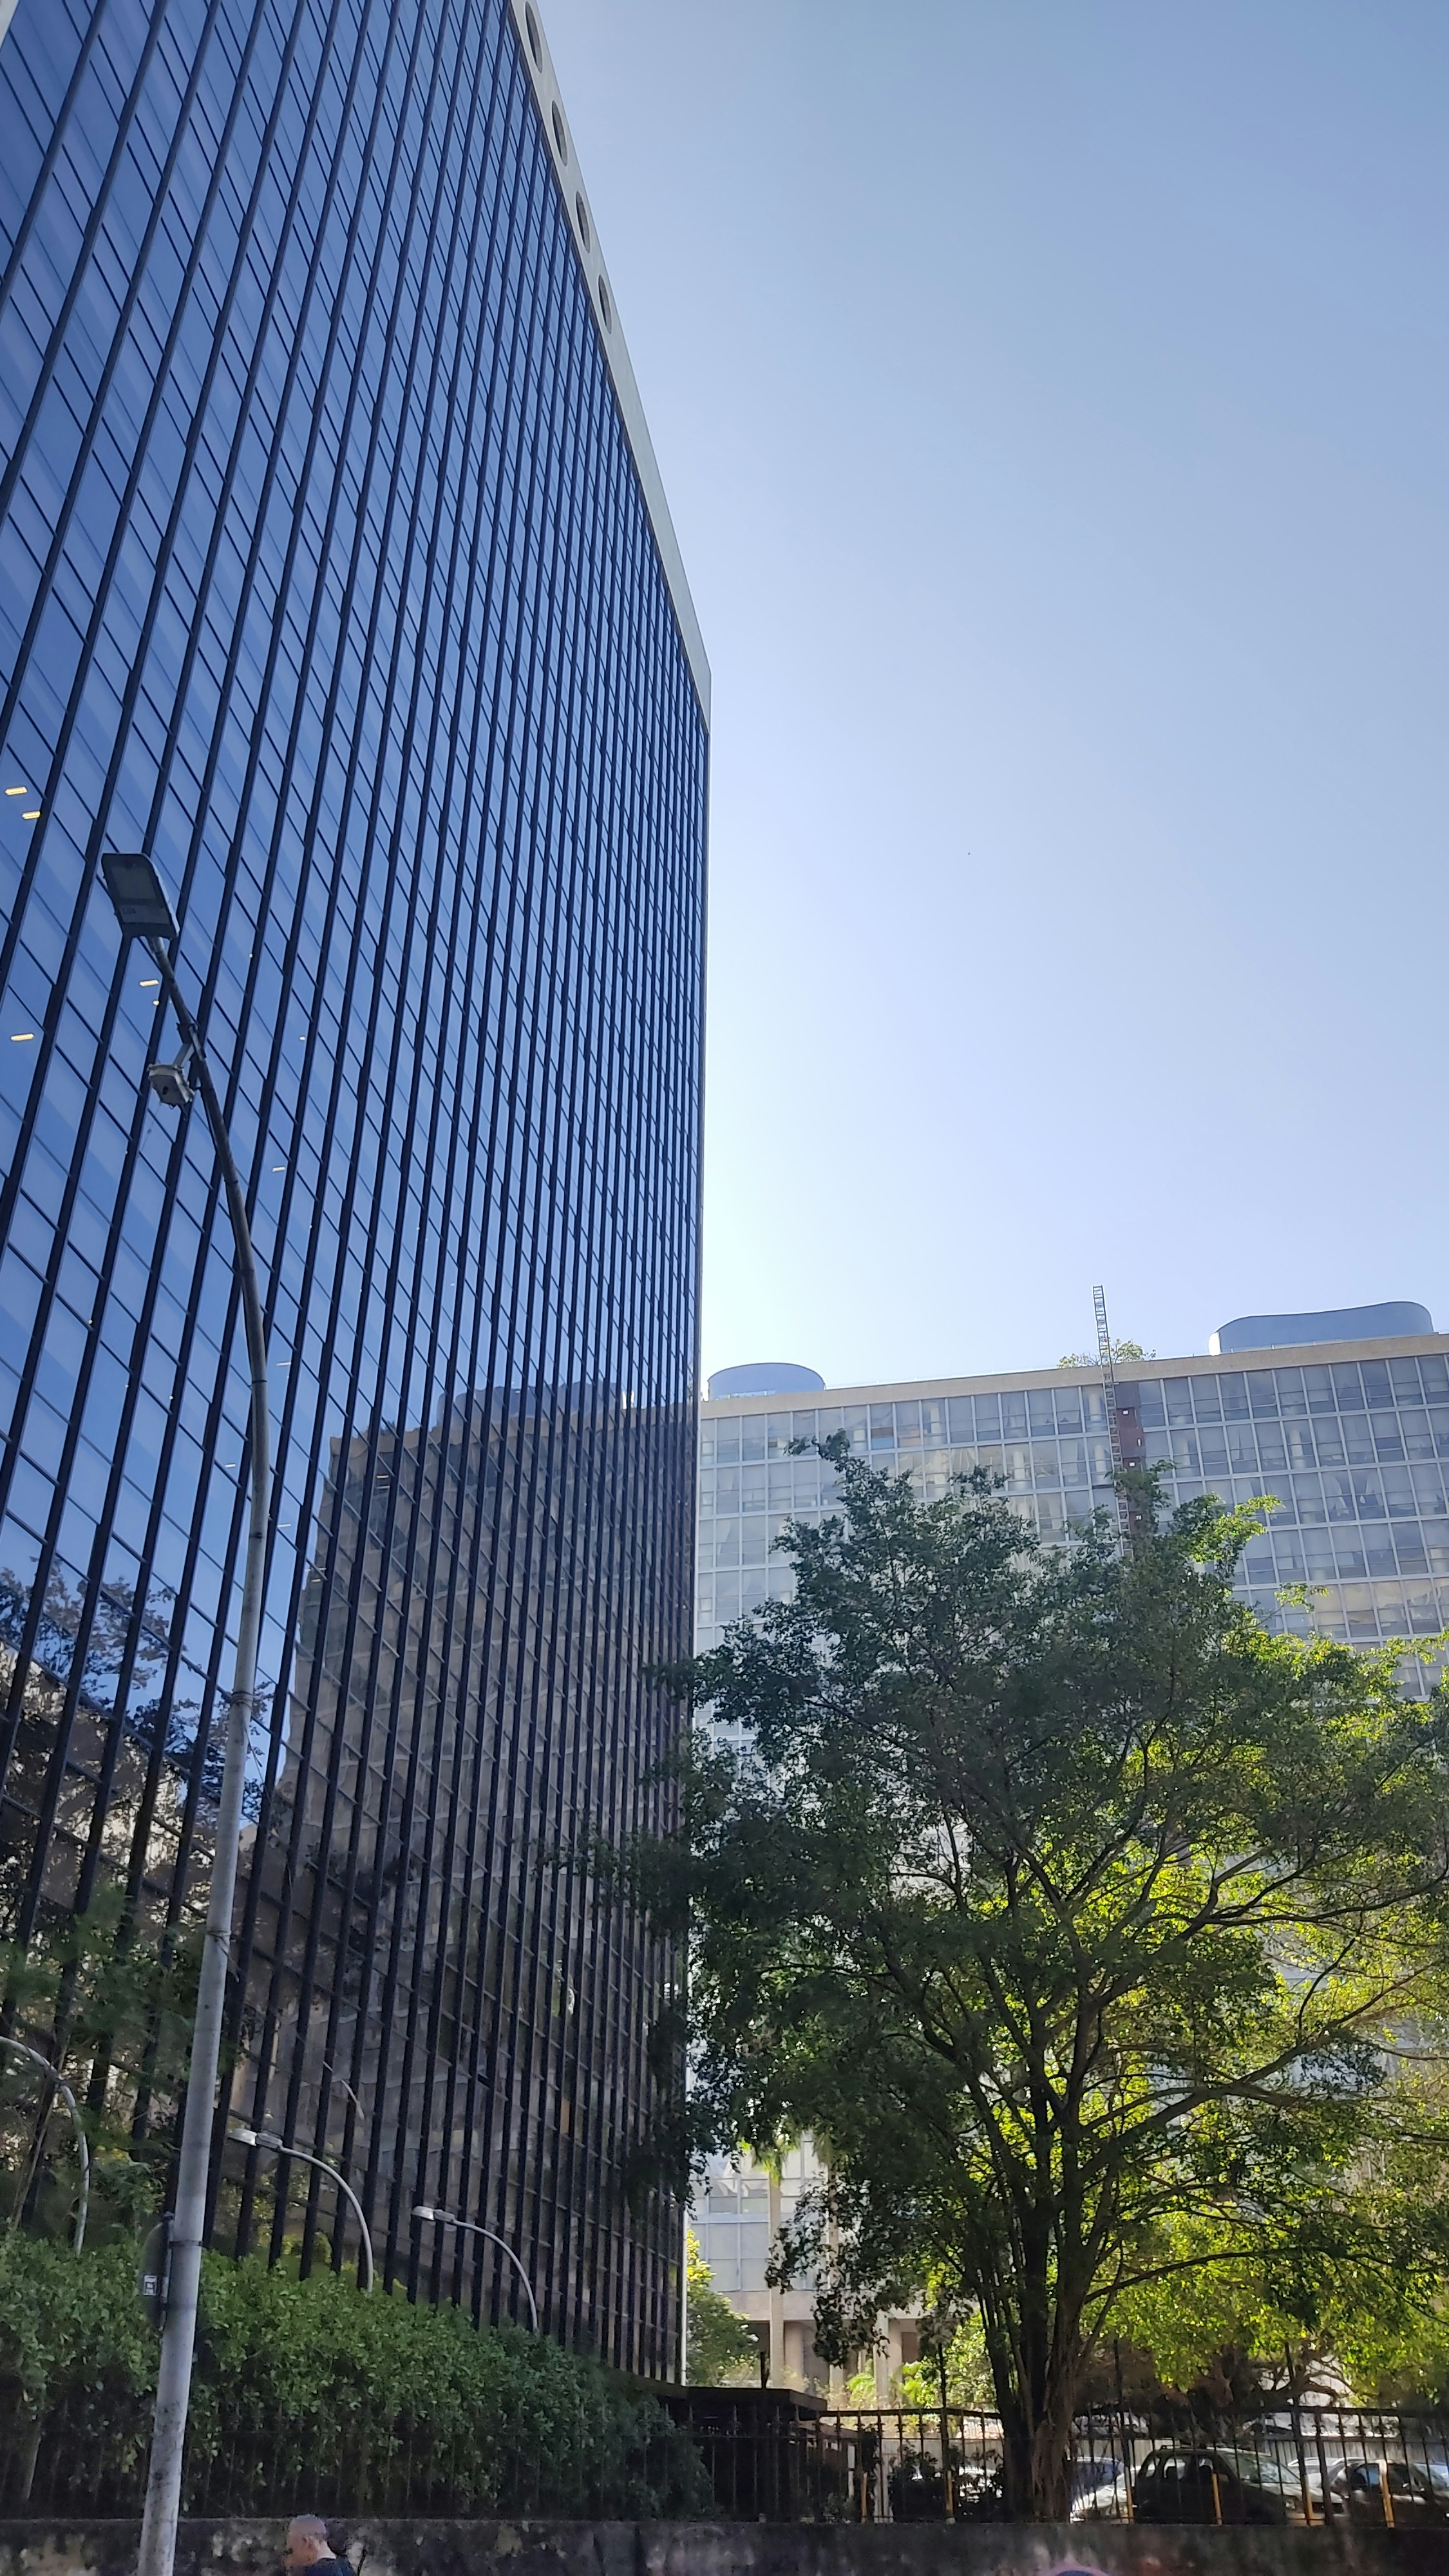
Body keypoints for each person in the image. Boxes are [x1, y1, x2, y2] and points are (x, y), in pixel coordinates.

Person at [283, 2515, 350, 2576]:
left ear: (307, 2542)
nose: (288, 2561)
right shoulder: (346, 2568)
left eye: (291, 2551)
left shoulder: (315, 2572)